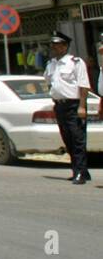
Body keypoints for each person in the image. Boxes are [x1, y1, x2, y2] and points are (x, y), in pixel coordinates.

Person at [44, 30, 90, 184]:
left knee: (77, 139)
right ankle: (79, 170)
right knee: (67, 139)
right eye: (53, 45)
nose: (54, 47)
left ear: (65, 46)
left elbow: (84, 86)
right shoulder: (51, 64)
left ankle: (80, 173)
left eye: (57, 45)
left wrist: (82, 107)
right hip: (60, 106)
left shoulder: (76, 62)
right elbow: (49, 82)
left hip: (74, 105)